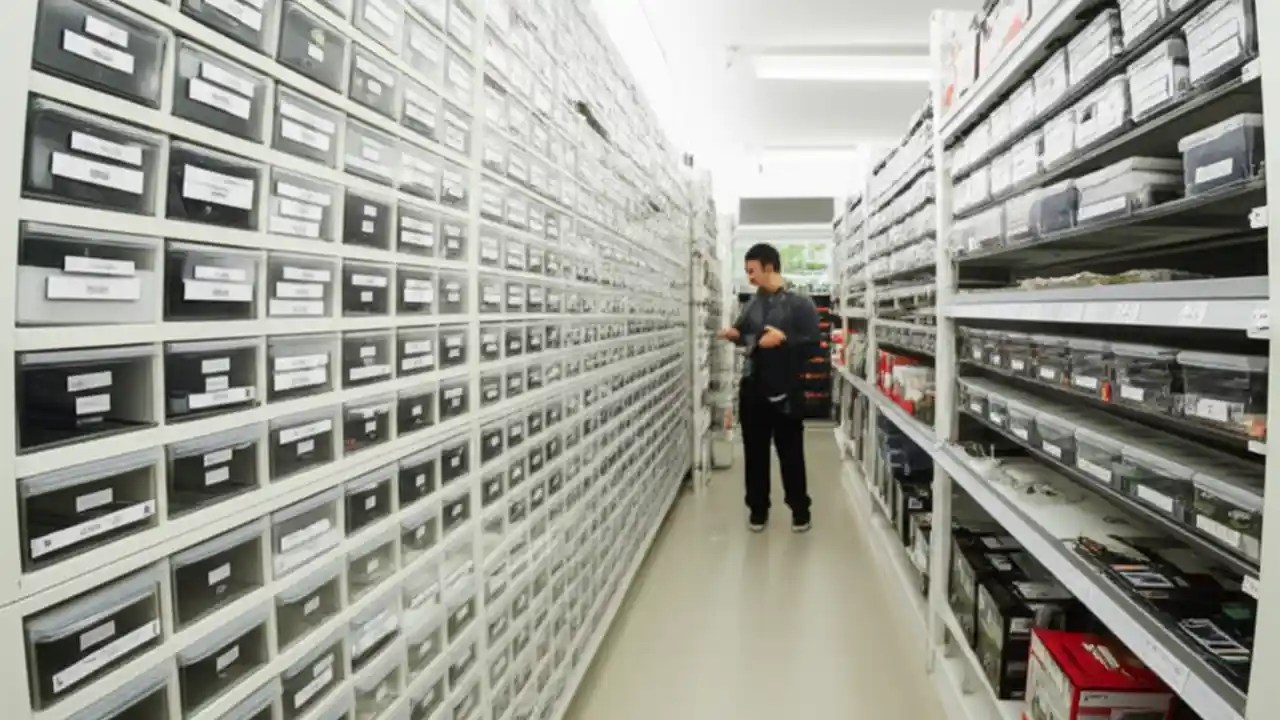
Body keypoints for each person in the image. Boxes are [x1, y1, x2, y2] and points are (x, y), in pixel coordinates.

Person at [719, 243, 822, 533]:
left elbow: (815, 345)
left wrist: (784, 339)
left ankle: (800, 509)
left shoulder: (801, 304)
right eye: (747, 271)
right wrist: (734, 335)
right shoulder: (753, 303)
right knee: (754, 454)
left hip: (786, 390)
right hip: (753, 390)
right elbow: (744, 333)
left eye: (752, 270)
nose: (749, 277)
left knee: (790, 453)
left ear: (769, 267)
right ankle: (758, 509)